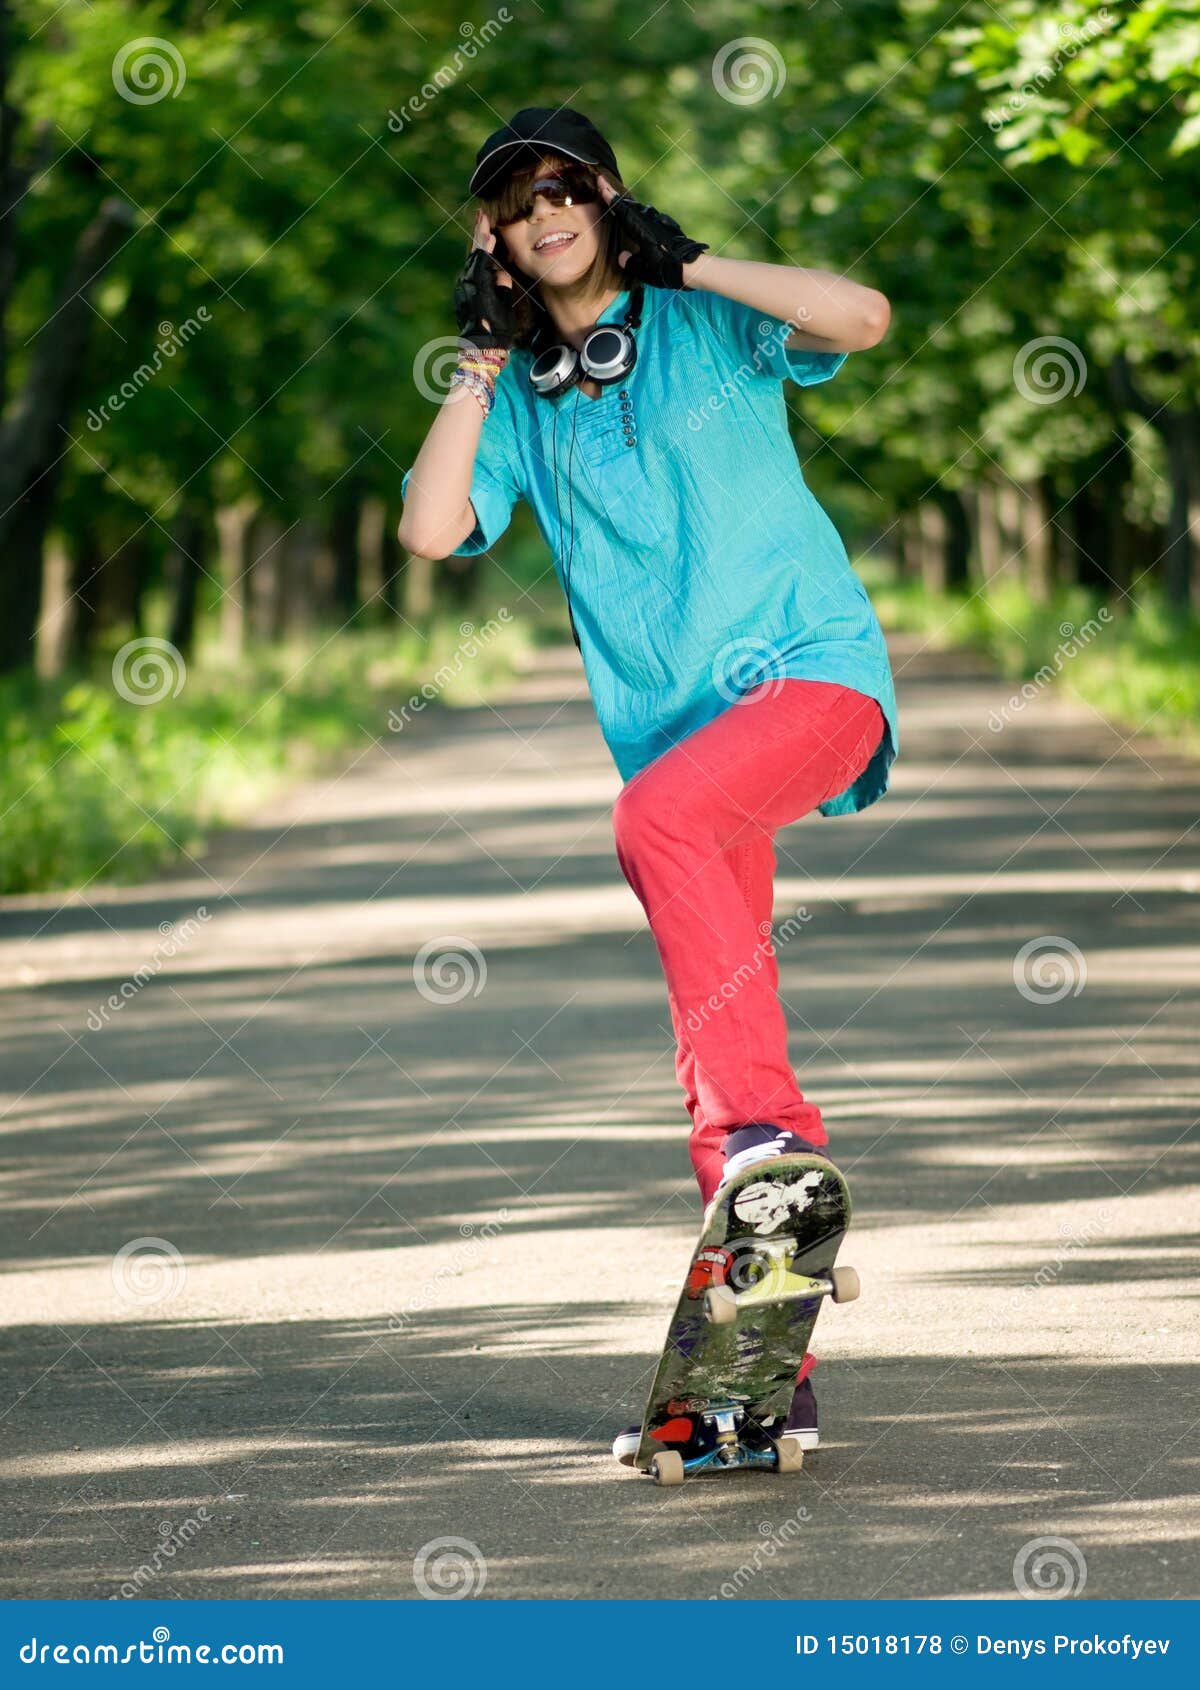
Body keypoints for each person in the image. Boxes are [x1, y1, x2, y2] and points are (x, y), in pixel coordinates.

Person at [399, 106, 899, 1462]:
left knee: (658, 833)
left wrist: (688, 265)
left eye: (569, 188)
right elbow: (433, 524)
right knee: (712, 1021)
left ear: (608, 197)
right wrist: (484, 361)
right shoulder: (525, 393)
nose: (547, 210)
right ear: (496, 239)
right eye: (518, 202)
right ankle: (756, 1364)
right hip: (683, 749)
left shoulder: (704, 321)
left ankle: (762, 1134)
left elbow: (859, 316)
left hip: (815, 679)